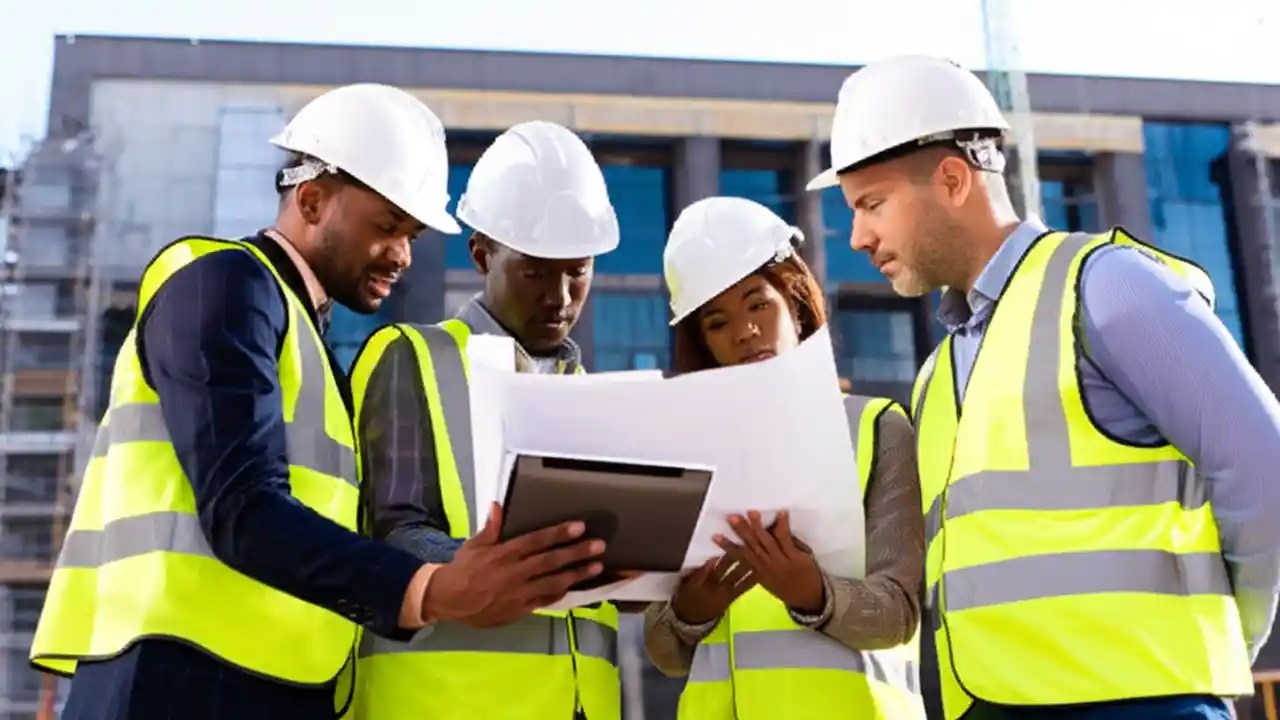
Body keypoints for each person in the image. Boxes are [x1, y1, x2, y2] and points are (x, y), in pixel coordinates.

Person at [28, 85, 607, 720]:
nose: (402, 256)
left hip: (277, 683)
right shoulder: (224, 283)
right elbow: (241, 506)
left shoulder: (314, 352)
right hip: (173, 678)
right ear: (310, 199)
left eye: (411, 234)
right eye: (387, 227)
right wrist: (430, 587)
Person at [807, 54, 1280, 720]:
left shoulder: (1107, 287)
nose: (857, 236)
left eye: (872, 204)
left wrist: (1226, 642)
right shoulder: (935, 379)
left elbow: (1262, 463)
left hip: (1146, 704)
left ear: (950, 180)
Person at [350, 120, 627, 720]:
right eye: (534, 271)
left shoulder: (595, 396)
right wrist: (517, 566)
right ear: (482, 253)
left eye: (577, 270)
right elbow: (389, 530)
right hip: (442, 702)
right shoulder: (413, 355)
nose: (559, 296)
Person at [643, 196, 926, 719]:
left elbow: (900, 613)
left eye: (758, 304)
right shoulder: (687, 449)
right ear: (702, 343)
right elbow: (662, 651)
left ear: (794, 302)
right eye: (717, 322)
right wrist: (688, 613)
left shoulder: (875, 427)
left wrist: (811, 592)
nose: (744, 331)